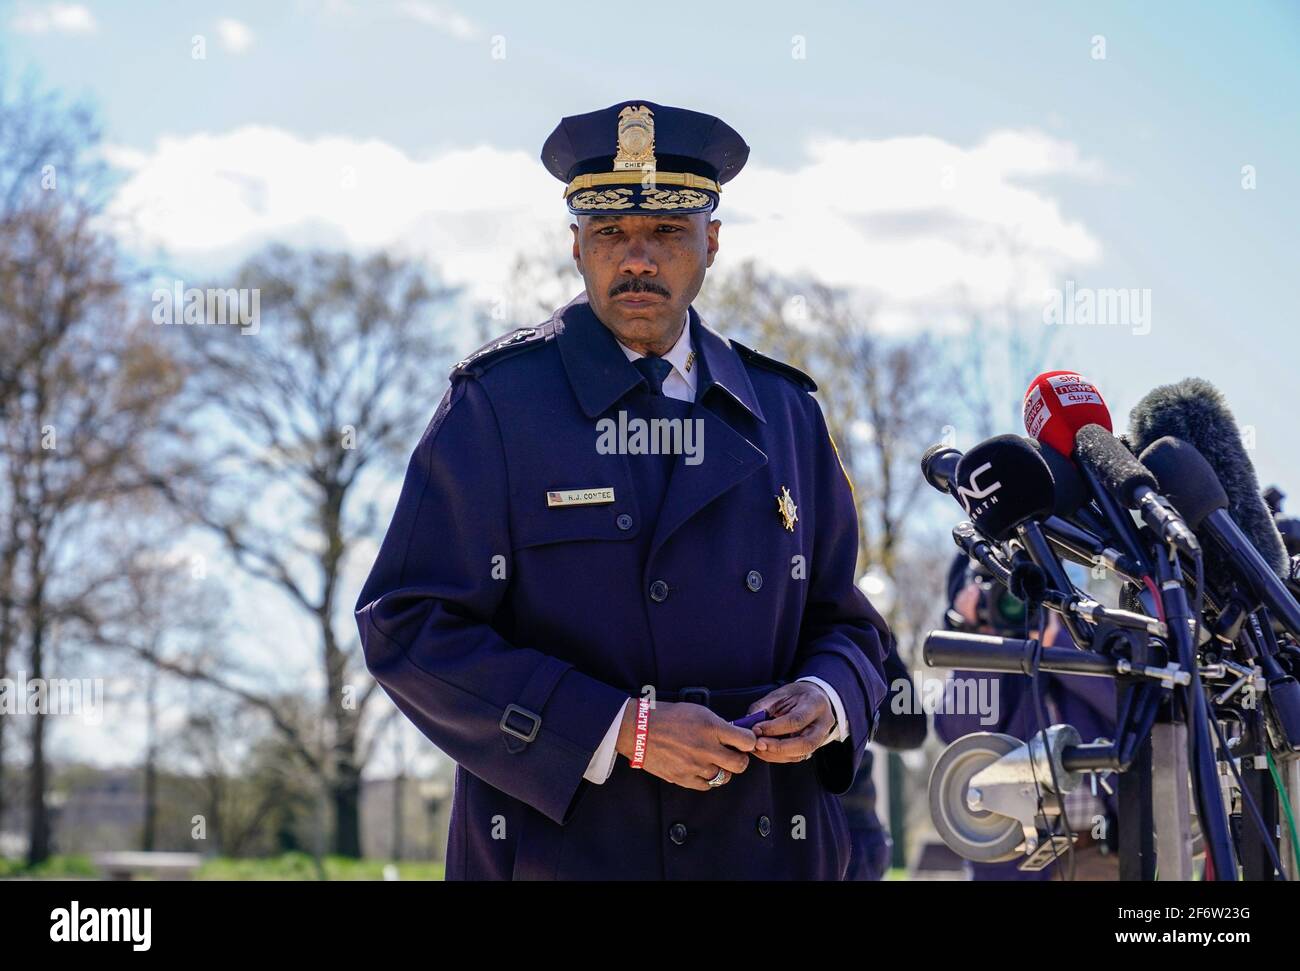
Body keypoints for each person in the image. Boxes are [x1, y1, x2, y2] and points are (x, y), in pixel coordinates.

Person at [354, 100, 891, 879]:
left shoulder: (786, 411)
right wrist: (618, 728)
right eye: (610, 233)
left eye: (668, 233)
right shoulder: (498, 404)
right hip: (561, 852)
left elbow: (852, 625)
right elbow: (405, 625)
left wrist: (828, 694)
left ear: (712, 243)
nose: (636, 258)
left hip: (766, 847)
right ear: (576, 246)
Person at [934, 553, 1119, 880]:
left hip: (1096, 852)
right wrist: (982, 640)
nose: (1016, 606)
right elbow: (961, 731)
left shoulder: (1085, 641)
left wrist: (1055, 641)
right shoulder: (977, 652)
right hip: (1011, 858)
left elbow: (1122, 708)